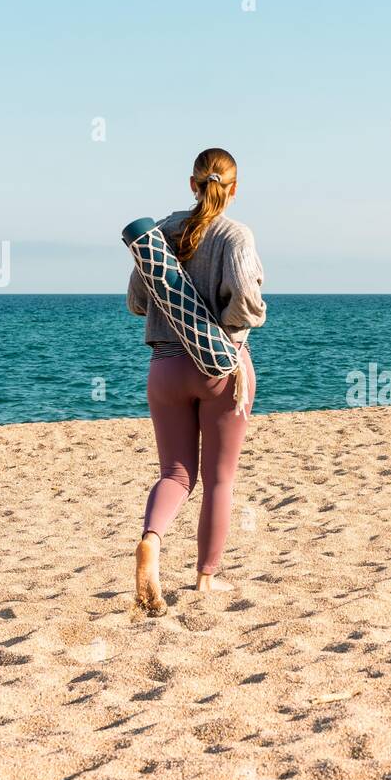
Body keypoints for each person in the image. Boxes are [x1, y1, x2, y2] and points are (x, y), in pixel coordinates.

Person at [126, 147, 266, 616]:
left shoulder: (160, 233)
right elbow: (246, 302)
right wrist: (227, 328)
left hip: (165, 368)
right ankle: (206, 579)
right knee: (219, 480)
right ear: (234, 188)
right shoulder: (235, 235)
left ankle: (151, 540)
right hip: (219, 368)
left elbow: (137, 302)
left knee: (175, 474)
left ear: (192, 184)